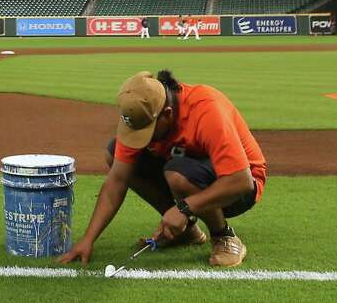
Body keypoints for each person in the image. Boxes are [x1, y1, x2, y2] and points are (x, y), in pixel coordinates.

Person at [58, 70, 266, 269]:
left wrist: (184, 209)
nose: (142, 137)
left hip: (240, 186)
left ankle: (224, 236)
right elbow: (117, 181)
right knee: (115, 154)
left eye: (148, 131)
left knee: (177, 173)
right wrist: (88, 239)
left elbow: (241, 180)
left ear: (167, 113)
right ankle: (186, 233)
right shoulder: (140, 113)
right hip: (191, 172)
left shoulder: (206, 109)